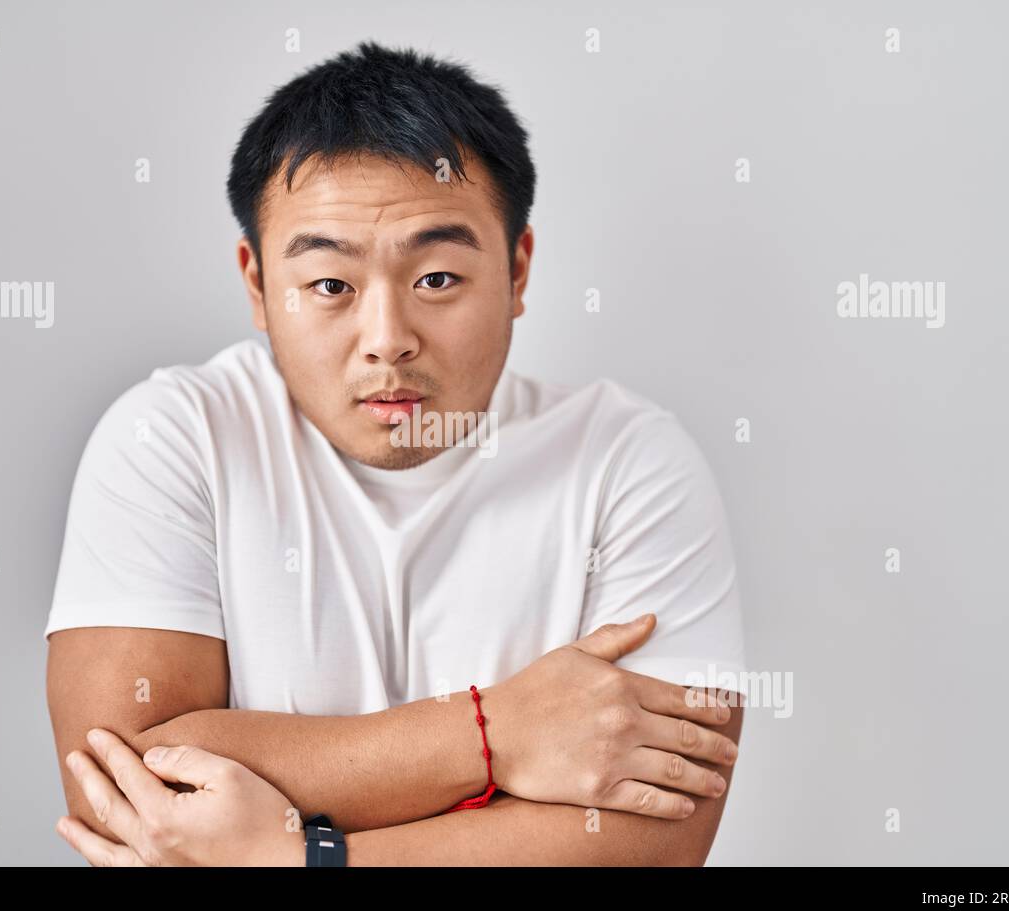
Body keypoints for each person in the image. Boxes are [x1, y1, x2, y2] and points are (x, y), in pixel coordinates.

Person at [46, 40, 746, 866]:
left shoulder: (628, 461)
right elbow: (126, 789)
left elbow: (652, 845)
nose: (387, 341)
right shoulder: (173, 436)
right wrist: (496, 735)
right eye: (331, 286)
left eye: (438, 279)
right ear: (257, 285)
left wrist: (293, 858)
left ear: (519, 270)